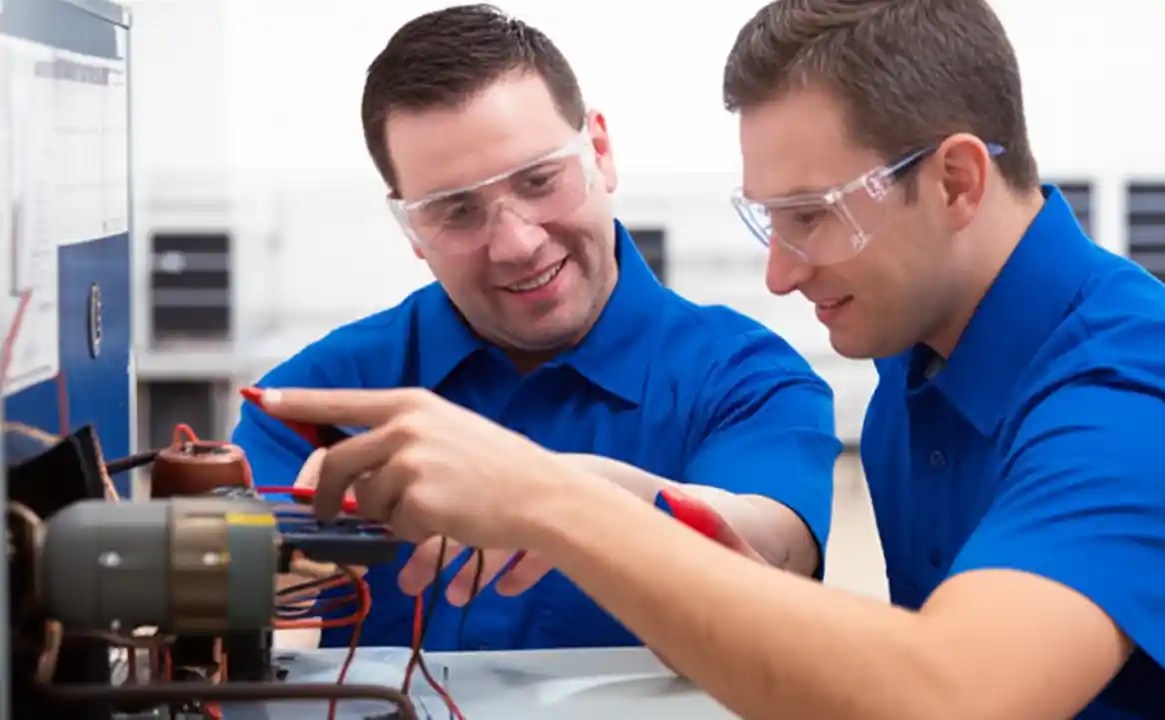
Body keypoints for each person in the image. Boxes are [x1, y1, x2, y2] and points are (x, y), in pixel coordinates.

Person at [257, 0, 1165, 717]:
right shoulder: (916, 379)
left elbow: (945, 695)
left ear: (957, 181)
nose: (779, 274)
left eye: (810, 217)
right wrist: (610, 489)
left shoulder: (1133, 400)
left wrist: (547, 503)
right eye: (767, 219)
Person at [231, 4, 841, 652]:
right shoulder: (318, 399)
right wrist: (277, 565)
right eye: (456, 211)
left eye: (540, 180)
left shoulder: (746, 379)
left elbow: (770, 560)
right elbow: (228, 611)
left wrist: (566, 499)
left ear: (600, 151)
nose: (517, 244)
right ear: (410, 229)